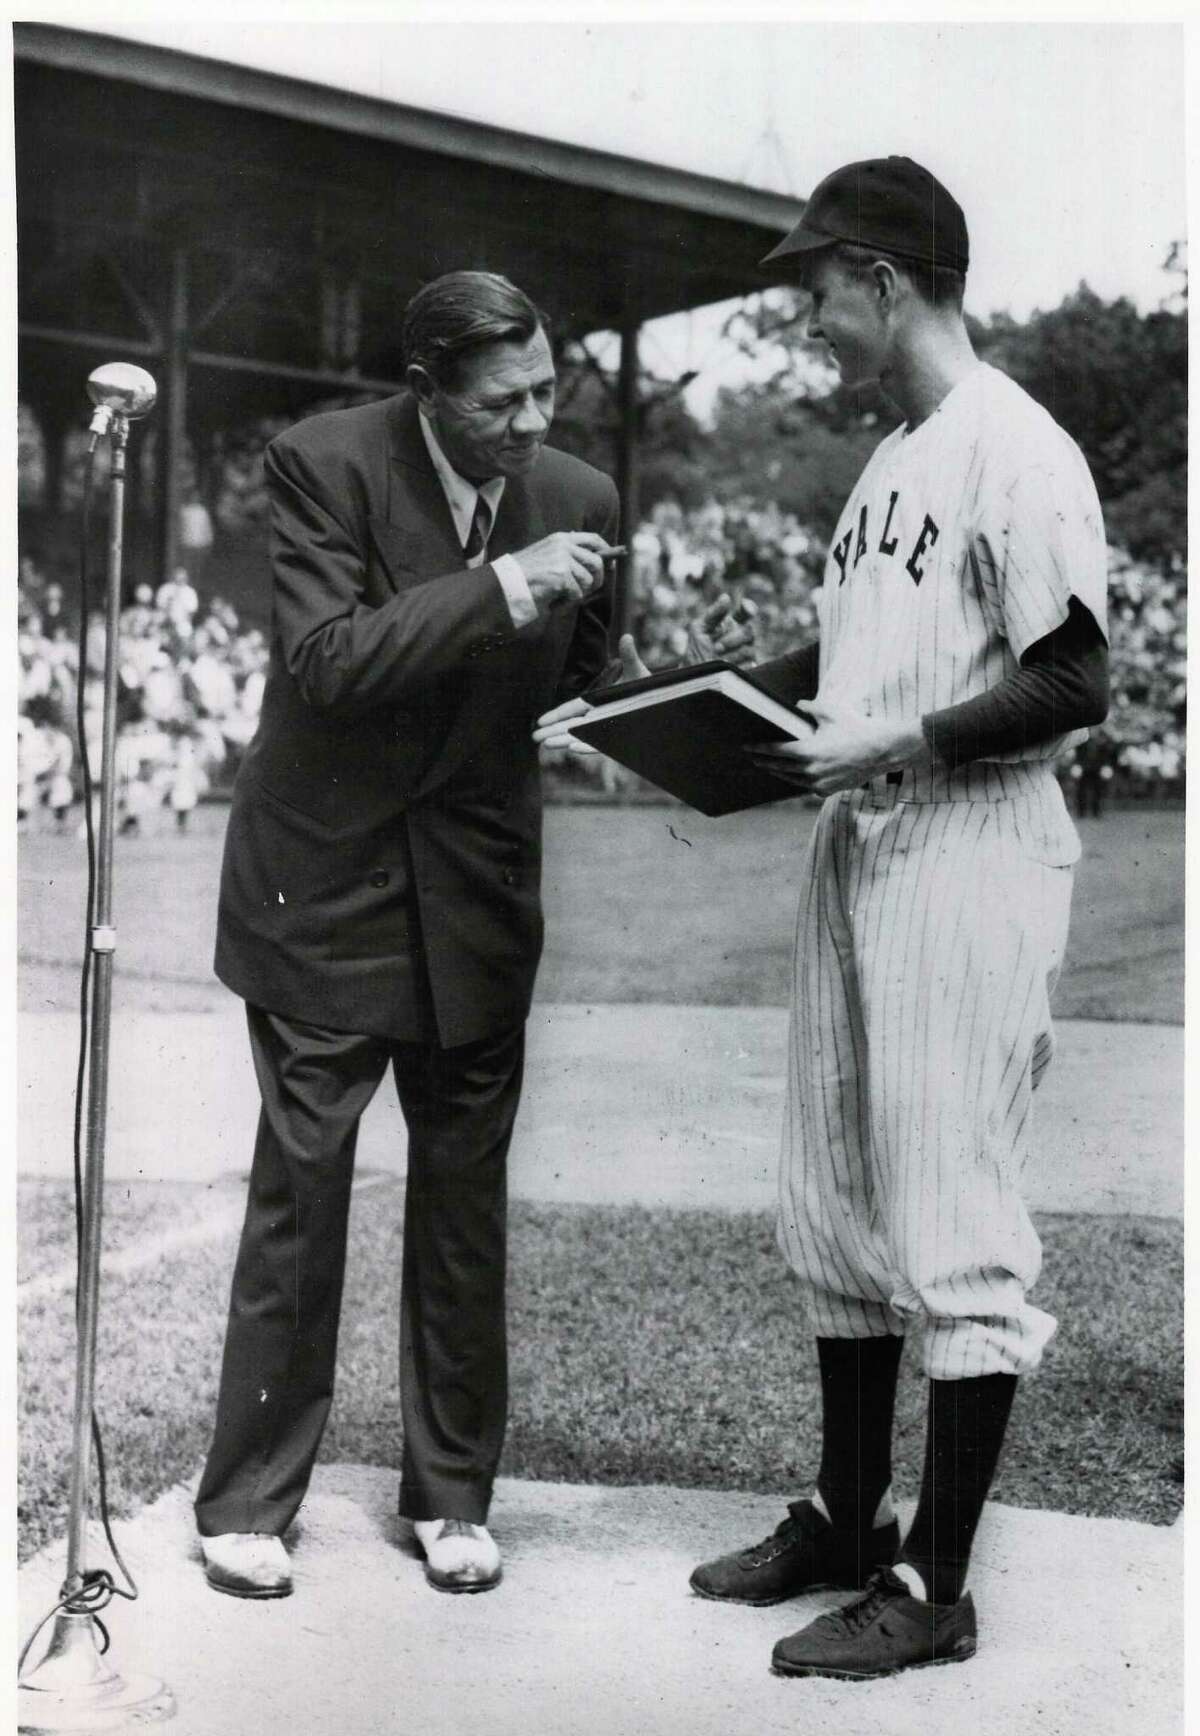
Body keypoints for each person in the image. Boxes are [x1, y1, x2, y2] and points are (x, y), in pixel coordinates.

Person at [538, 157, 1109, 1682]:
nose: (808, 319)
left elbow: (1075, 682)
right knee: (838, 1200)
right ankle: (851, 1521)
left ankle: (935, 1585)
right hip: (865, 848)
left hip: (970, 848)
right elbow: (841, 662)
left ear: (883, 278)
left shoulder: (1016, 449)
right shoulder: (886, 468)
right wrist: (663, 710)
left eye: (815, 288)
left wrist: (899, 741)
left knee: (953, 1219)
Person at [195, 269, 752, 1603]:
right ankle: (249, 1504)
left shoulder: (582, 499)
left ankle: (452, 1497)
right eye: (501, 401)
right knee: (302, 1193)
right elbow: (324, 661)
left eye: (547, 391)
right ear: (428, 388)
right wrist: (498, 588)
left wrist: (703, 715)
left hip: (480, 902)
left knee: (463, 1209)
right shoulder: (322, 462)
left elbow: (581, 678)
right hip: (325, 897)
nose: (531, 420)